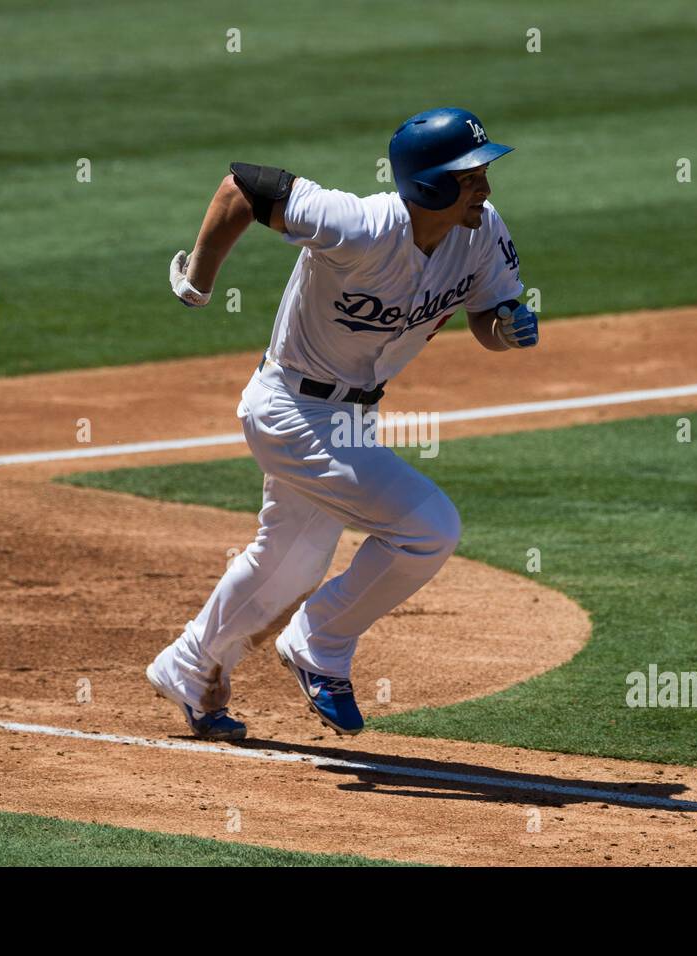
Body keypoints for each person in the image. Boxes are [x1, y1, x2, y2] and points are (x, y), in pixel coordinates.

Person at [146, 107, 539, 741]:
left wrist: (505, 332)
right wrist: (197, 281)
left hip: (352, 416)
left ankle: (190, 667)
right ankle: (319, 643)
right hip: (290, 409)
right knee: (427, 528)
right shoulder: (358, 225)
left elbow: (489, 317)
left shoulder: (481, 229)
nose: (485, 189)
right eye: (470, 176)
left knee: (291, 563)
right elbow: (242, 186)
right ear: (432, 184)